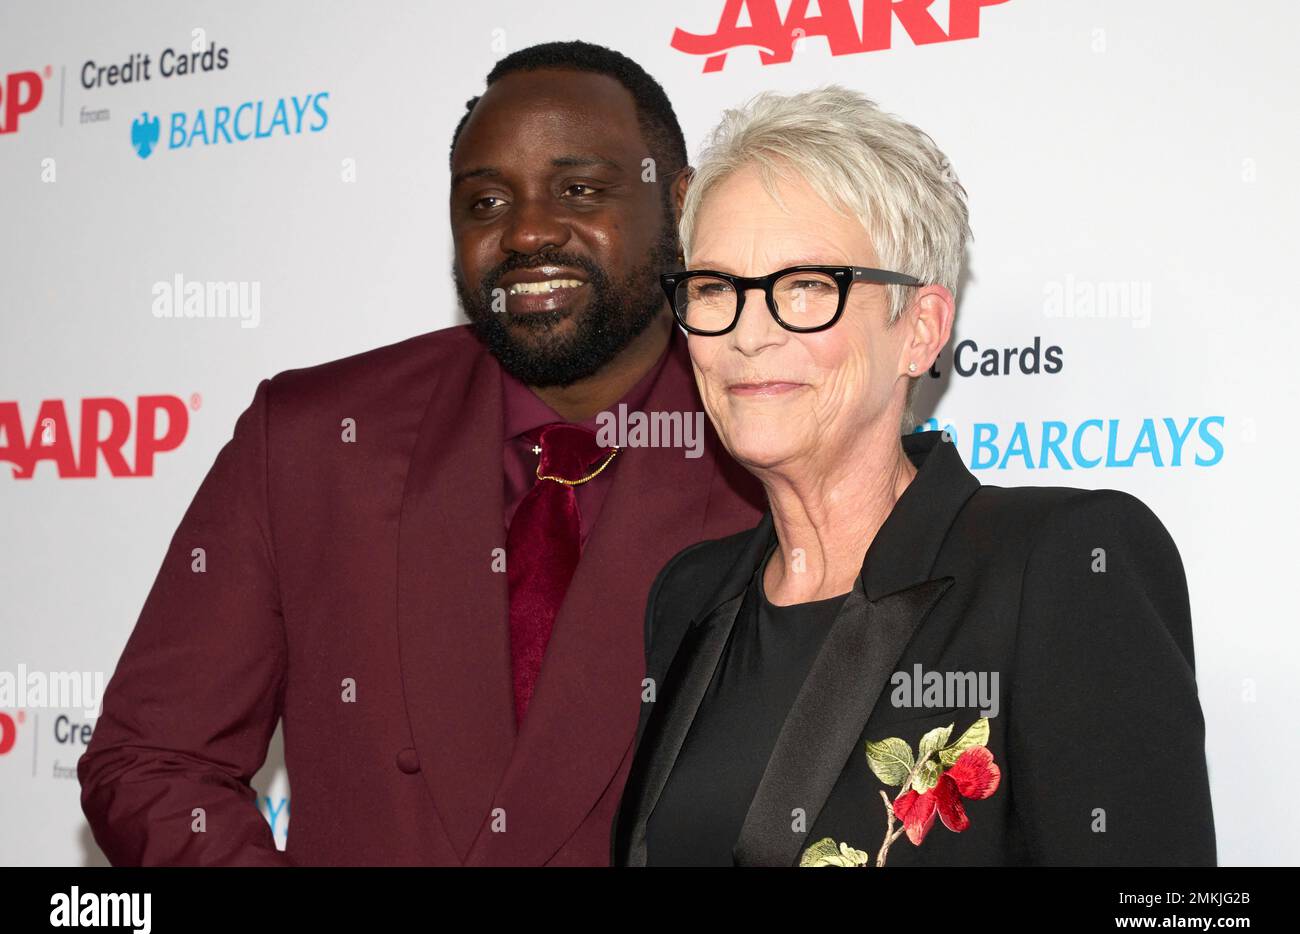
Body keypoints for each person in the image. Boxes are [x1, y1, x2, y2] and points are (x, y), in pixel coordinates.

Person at [77, 41, 764, 866]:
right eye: (484, 202)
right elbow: (153, 759)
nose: (528, 230)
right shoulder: (311, 439)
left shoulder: (773, 448)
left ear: (680, 206)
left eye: (579, 190)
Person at [614, 86, 1216, 866]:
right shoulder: (690, 597)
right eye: (715, 289)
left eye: (804, 287)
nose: (749, 333)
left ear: (921, 330)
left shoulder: (1064, 564)